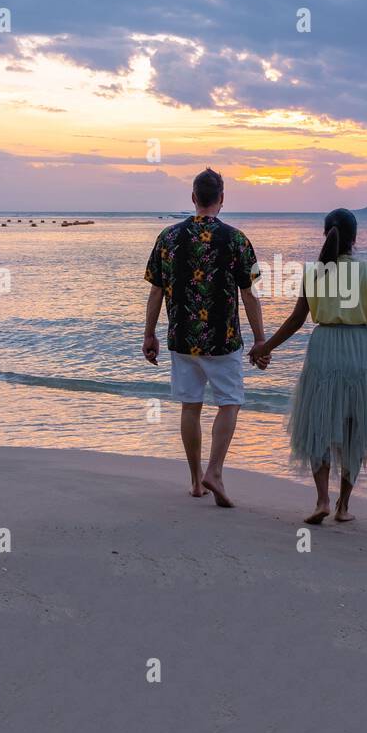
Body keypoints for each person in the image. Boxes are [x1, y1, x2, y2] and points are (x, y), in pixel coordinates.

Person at [251, 208, 367, 524]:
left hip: (324, 348)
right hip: (359, 350)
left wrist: (266, 347)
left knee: (319, 421)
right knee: (355, 426)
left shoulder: (312, 272)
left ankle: (321, 500)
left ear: (325, 233)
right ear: (355, 237)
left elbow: (295, 320)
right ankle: (344, 507)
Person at [142, 167, 266, 507]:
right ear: (222, 199)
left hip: (182, 338)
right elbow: (251, 295)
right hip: (223, 340)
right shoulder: (238, 239)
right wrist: (260, 340)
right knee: (230, 402)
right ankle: (215, 471)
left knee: (190, 406)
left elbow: (156, 292)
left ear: (194, 198)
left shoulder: (167, 237)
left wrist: (149, 334)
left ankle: (197, 481)